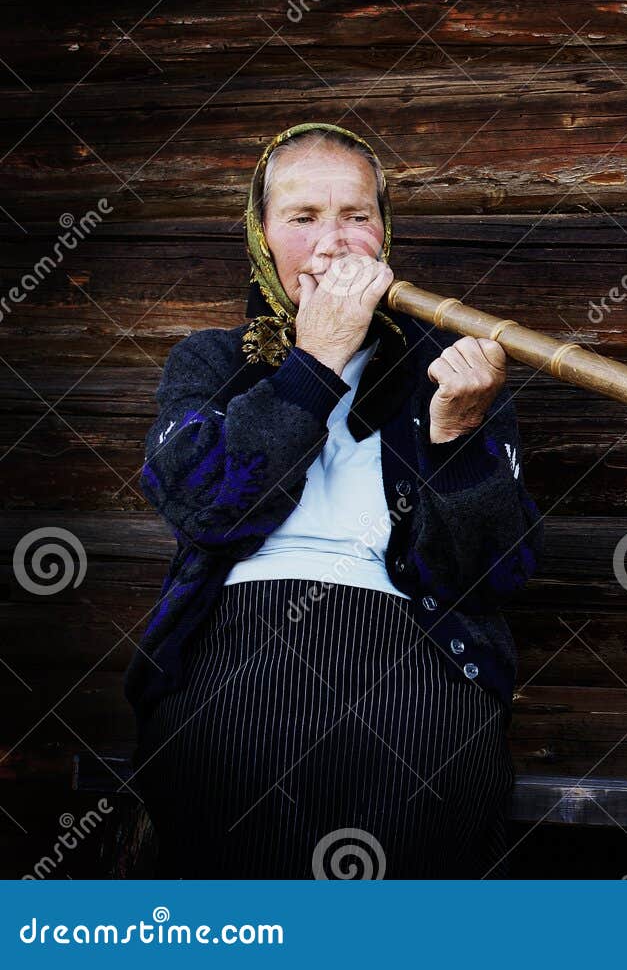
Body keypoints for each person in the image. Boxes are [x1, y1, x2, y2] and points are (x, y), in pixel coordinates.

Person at [123, 122, 544, 878]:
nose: (335, 241)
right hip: (237, 646)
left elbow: (496, 573)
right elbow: (209, 508)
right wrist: (315, 360)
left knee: (418, 784)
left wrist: (453, 439)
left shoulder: (449, 367)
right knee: (226, 771)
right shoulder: (211, 362)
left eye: (357, 215)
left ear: (385, 235)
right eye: (303, 217)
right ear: (261, 235)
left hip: (414, 650)